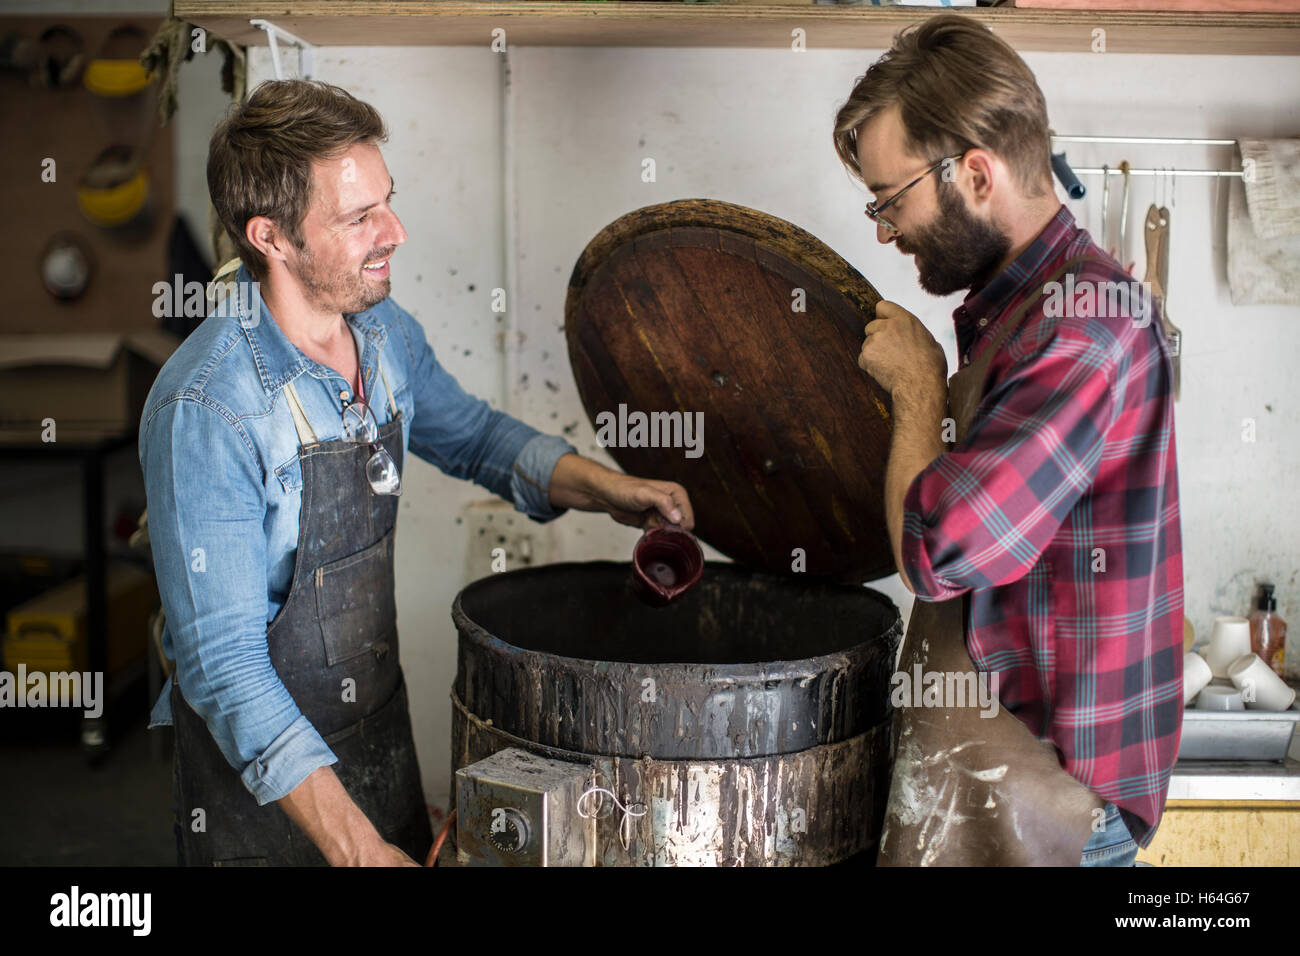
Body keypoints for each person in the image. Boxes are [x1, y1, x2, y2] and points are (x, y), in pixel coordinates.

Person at [140, 79, 694, 867]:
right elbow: (222, 665)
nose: (394, 232)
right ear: (271, 237)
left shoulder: (382, 331)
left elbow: (474, 436)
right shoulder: (209, 410)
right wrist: (357, 851)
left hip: (377, 737)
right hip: (263, 799)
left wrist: (608, 490)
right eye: (358, 217)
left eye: (387, 202)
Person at [835, 16, 1181, 865]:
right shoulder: (1021, 315)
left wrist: (918, 386)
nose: (884, 230)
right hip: (990, 790)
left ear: (977, 173)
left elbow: (940, 550)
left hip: (1047, 815)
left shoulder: (1082, 329)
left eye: (890, 199)